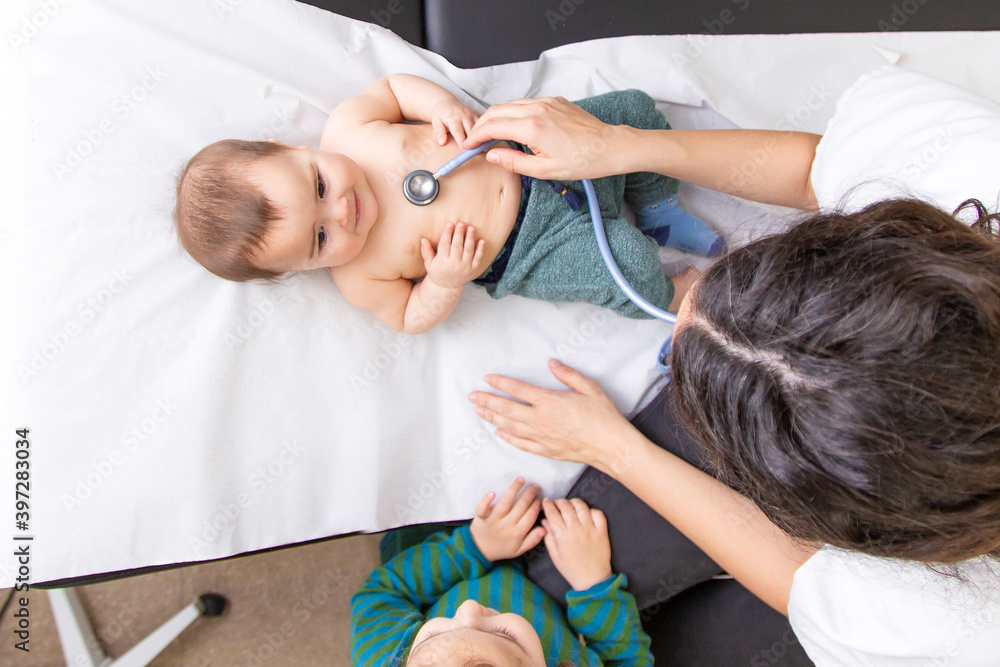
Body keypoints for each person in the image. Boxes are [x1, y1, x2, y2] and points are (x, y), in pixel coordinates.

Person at [463, 65, 1000, 665]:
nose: (683, 304)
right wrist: (625, 146)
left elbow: (797, 576)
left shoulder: (940, 630)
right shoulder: (965, 158)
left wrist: (617, 449)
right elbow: (815, 170)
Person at [173, 74, 723, 333]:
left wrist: (440, 105)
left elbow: (392, 89)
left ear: (289, 147)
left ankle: (657, 205)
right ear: (305, 268)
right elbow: (409, 318)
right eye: (320, 239)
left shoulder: (349, 128)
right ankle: (674, 297)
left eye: (318, 187)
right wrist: (442, 282)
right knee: (624, 264)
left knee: (630, 110)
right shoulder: (360, 277)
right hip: (533, 249)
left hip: (536, 153)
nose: (341, 212)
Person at [350, 478, 652, 666]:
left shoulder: (382, 659)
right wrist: (593, 585)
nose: (468, 610)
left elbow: (381, 595)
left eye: (434, 635)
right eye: (505, 636)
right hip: (537, 558)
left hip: (427, 544)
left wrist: (473, 546)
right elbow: (625, 659)